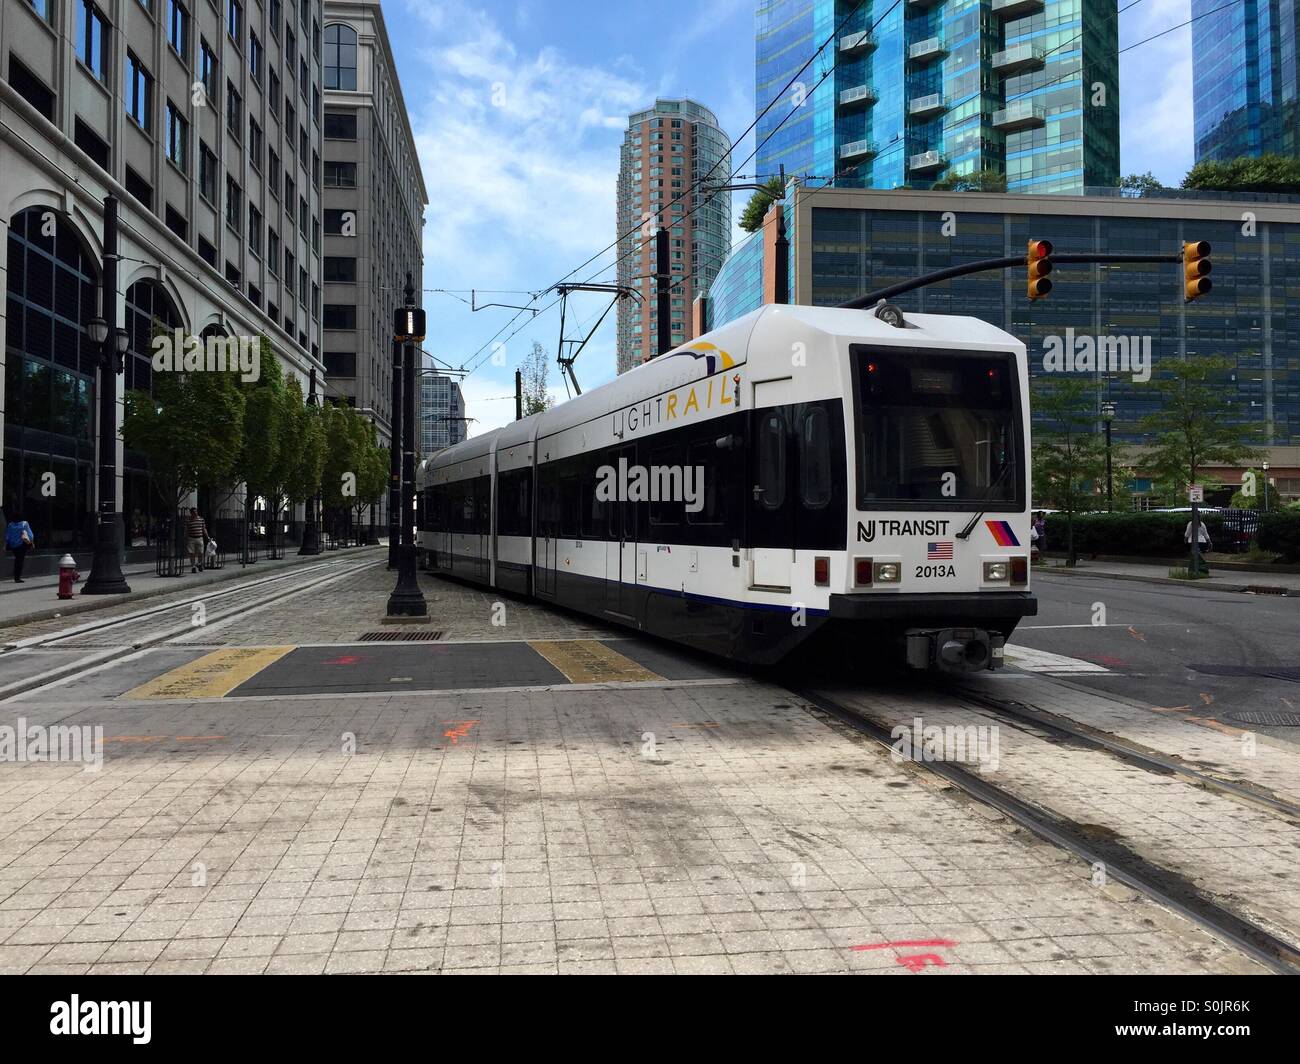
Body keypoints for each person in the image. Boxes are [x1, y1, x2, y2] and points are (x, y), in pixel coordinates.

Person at [5, 513, 35, 583]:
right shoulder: (24, 524)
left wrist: (5, 544)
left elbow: (7, 536)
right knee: (19, 561)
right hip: (21, 546)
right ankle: (17, 578)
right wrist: (31, 543)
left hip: (13, 546)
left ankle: (16, 577)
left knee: (17, 560)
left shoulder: (10, 525)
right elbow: (30, 535)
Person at [185, 507, 209, 574]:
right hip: (191, 538)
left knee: (201, 552)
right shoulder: (188, 520)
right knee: (191, 553)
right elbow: (186, 530)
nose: (195, 513)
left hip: (199, 538)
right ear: (191, 513)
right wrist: (185, 537)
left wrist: (207, 537)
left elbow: (204, 529)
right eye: (193, 512)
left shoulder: (201, 519)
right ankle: (193, 566)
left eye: (196, 512)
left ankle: (199, 563)